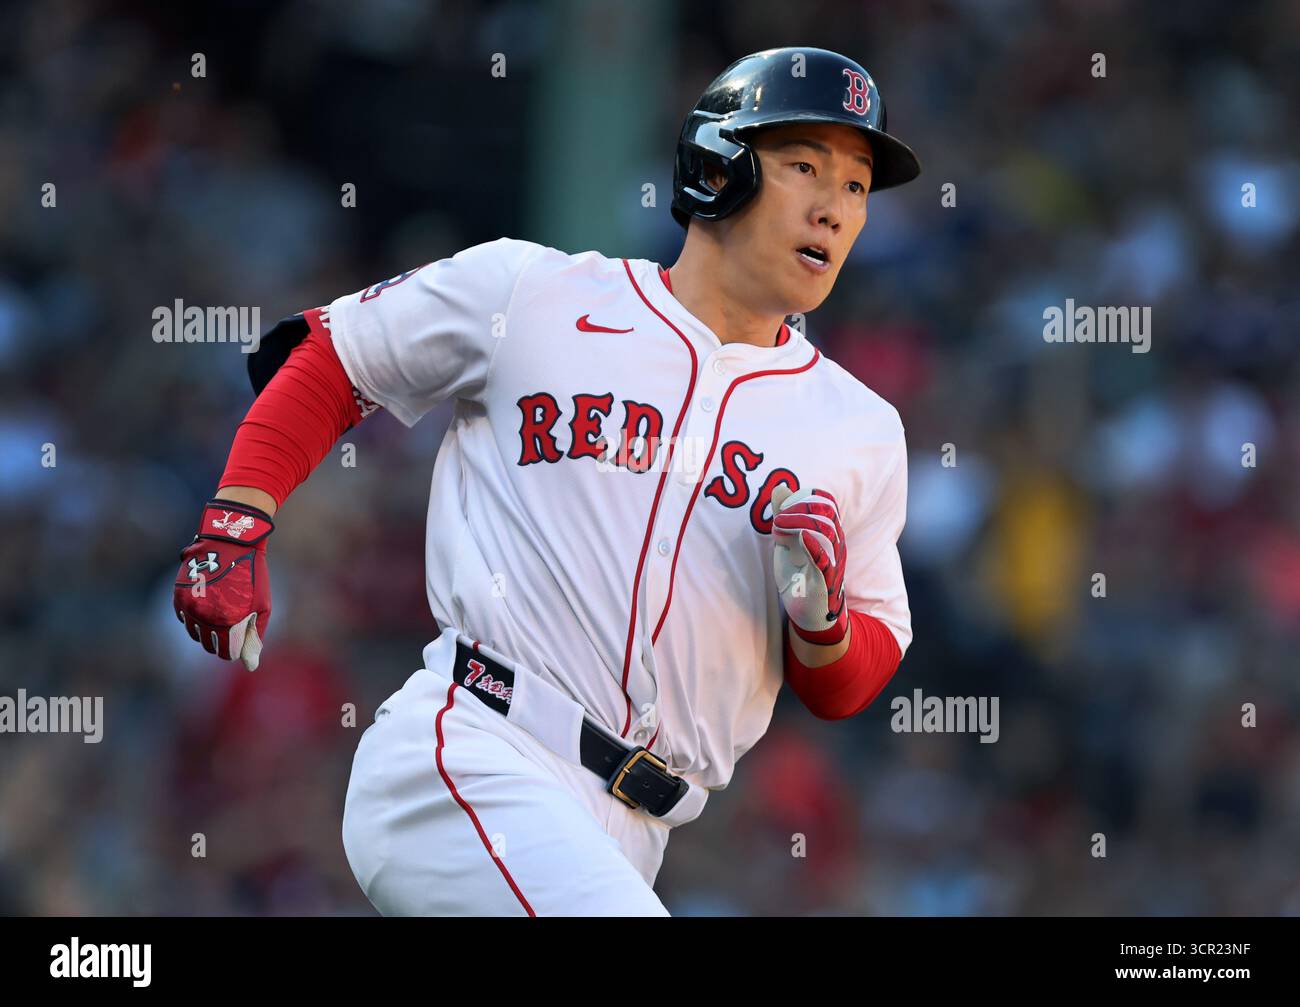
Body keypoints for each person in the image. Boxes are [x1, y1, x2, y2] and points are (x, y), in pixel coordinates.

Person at [172, 46, 920, 916]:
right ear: (720, 165)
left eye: (858, 188)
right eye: (805, 167)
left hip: (633, 834)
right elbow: (339, 357)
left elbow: (850, 680)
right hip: (474, 755)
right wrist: (236, 518)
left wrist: (819, 619)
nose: (835, 209)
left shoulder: (858, 429)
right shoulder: (535, 294)